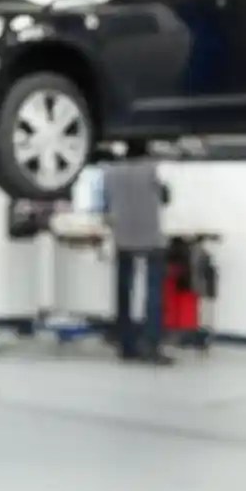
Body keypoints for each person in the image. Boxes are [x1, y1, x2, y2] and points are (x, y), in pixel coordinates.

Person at [102, 139, 172, 365]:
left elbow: (106, 203)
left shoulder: (111, 172)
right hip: (151, 235)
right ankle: (152, 345)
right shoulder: (152, 169)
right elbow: (165, 197)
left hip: (123, 236)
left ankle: (126, 345)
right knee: (153, 294)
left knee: (123, 292)